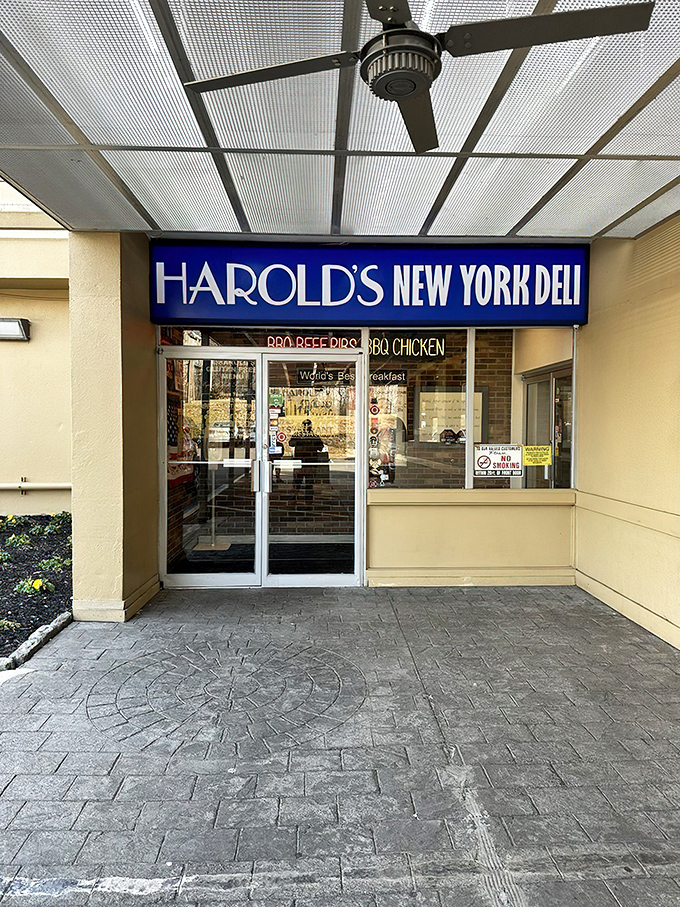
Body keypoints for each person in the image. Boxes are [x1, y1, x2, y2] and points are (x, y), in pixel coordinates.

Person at [290, 419, 324, 502]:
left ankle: (302, 499)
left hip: (306, 462)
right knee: (302, 482)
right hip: (305, 462)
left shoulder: (312, 436)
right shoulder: (312, 436)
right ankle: (301, 498)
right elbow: (291, 443)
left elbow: (320, 447)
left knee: (303, 482)